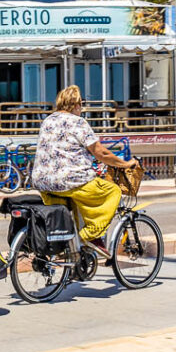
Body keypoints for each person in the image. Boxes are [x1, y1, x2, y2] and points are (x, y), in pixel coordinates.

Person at [30, 85, 139, 249]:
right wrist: (125, 164)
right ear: (75, 104)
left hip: (44, 183)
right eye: (81, 104)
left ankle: (72, 249)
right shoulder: (78, 122)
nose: (81, 108)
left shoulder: (48, 120)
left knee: (73, 209)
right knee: (113, 192)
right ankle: (87, 236)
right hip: (70, 181)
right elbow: (101, 153)